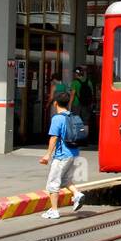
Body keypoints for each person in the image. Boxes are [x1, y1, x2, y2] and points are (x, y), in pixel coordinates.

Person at [38, 91, 86, 219]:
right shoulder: (71, 116)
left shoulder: (57, 118)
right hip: (74, 153)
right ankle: (77, 194)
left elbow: (54, 137)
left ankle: (54, 210)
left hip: (62, 156)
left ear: (55, 103)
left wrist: (48, 155)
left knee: (53, 183)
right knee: (65, 180)